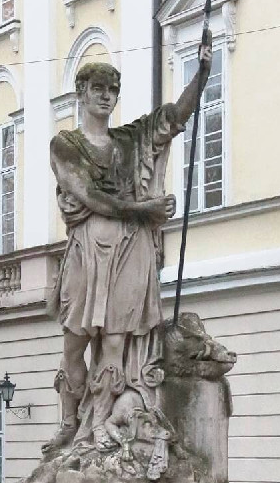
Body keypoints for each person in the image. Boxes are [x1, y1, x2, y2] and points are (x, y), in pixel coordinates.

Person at [42, 30, 214, 457]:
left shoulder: (127, 141)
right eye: (98, 89)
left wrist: (202, 73)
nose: (107, 96)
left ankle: (99, 425)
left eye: (113, 90)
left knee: (116, 342)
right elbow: (91, 197)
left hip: (129, 252)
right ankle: (70, 419)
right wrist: (148, 209)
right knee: (75, 344)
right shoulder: (66, 145)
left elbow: (172, 118)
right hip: (88, 253)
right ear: (80, 94)